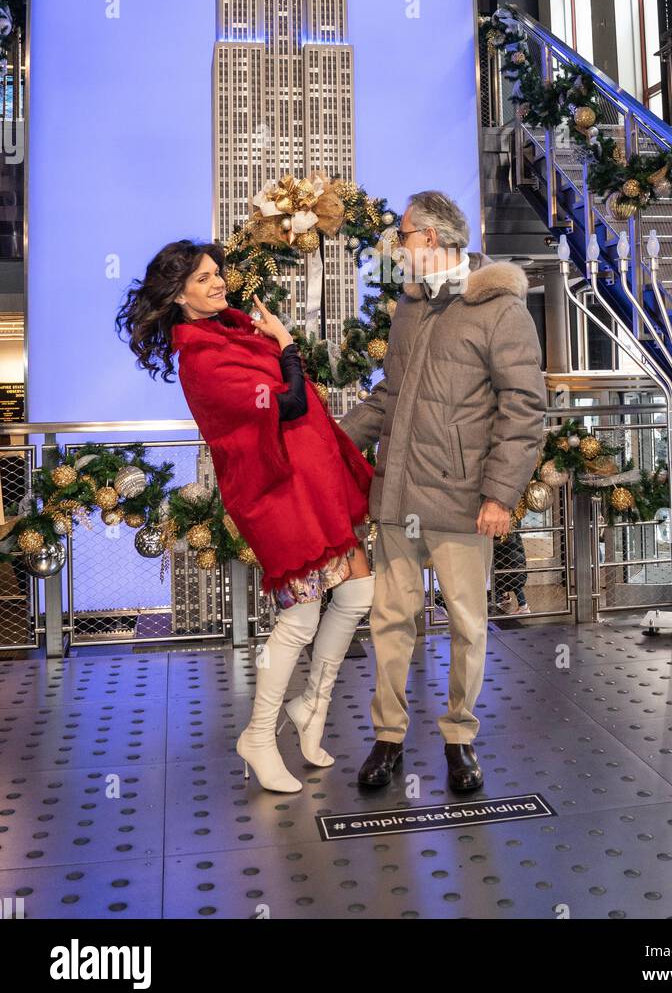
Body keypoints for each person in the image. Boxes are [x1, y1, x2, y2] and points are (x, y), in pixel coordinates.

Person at [115, 239, 376, 794]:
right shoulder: (202, 356)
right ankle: (259, 735)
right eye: (204, 278)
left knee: (357, 593)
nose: (218, 284)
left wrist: (273, 343)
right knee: (301, 619)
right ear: (177, 292)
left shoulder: (233, 330)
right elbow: (288, 403)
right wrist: (286, 345)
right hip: (277, 496)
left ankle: (311, 705)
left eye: (218, 274)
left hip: (315, 485)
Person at [338, 190, 547, 794]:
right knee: (390, 621)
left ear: (431, 238)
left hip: (462, 502)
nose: (396, 247)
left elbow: (524, 408)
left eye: (402, 235)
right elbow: (390, 397)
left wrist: (500, 496)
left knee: (467, 626)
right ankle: (388, 738)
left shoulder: (500, 309)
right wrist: (335, 442)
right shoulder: (408, 307)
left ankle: (460, 738)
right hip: (398, 499)